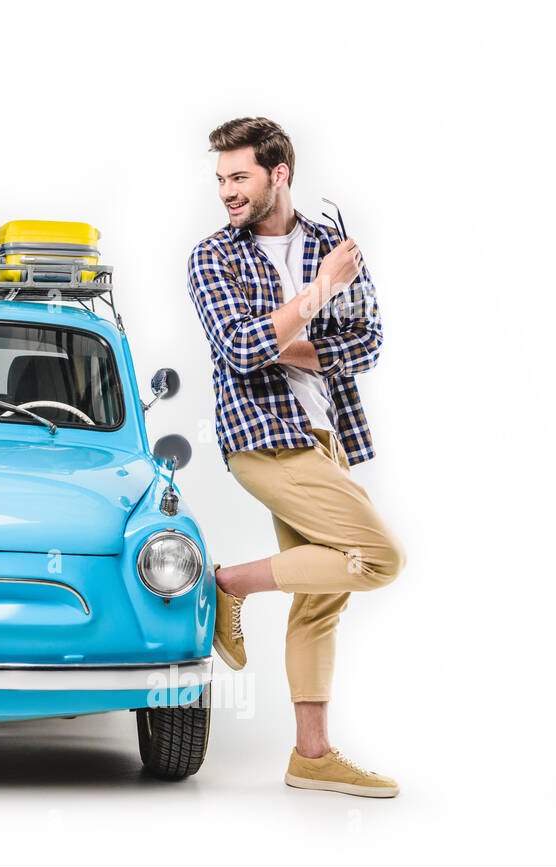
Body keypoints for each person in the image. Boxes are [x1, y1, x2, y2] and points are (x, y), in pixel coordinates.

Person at [187, 118, 407, 798]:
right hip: (261, 437)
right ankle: (227, 583)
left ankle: (311, 754)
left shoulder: (326, 244)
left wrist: (287, 334)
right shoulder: (212, 257)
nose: (227, 190)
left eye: (239, 176)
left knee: (322, 599)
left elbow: (366, 346)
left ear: (278, 173)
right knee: (380, 557)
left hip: (327, 436)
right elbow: (243, 348)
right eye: (221, 178)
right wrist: (316, 296)